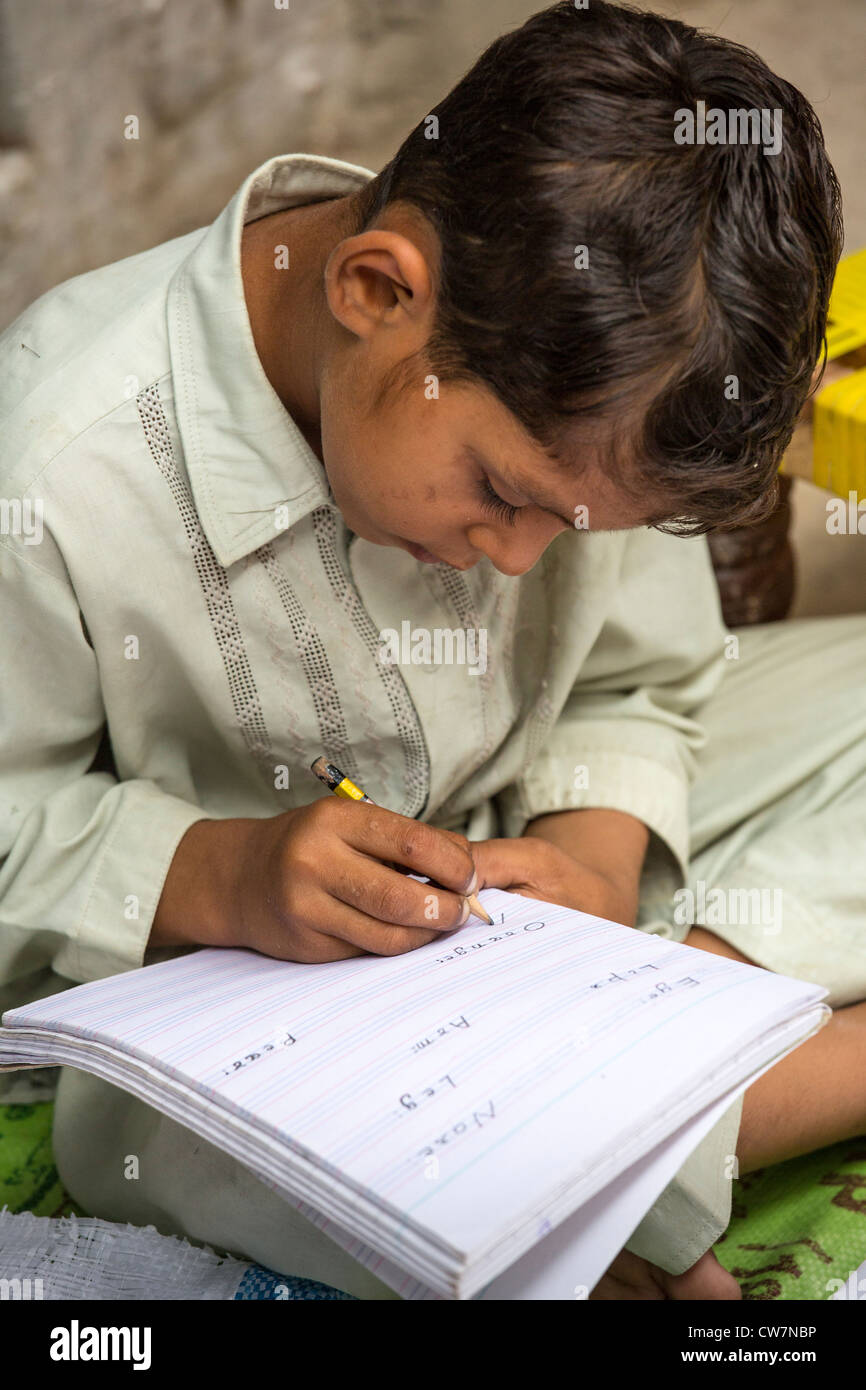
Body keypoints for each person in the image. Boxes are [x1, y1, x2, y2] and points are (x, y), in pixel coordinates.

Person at [1, 2, 861, 1300]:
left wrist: (588, 853)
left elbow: (638, 677)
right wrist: (211, 870)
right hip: (264, 995)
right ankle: (676, 1104)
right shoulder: (56, 458)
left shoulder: (587, 399)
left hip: (520, 914)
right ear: (374, 293)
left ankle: (623, 1089)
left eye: (570, 527)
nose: (524, 559)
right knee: (213, 1151)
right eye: (499, 493)